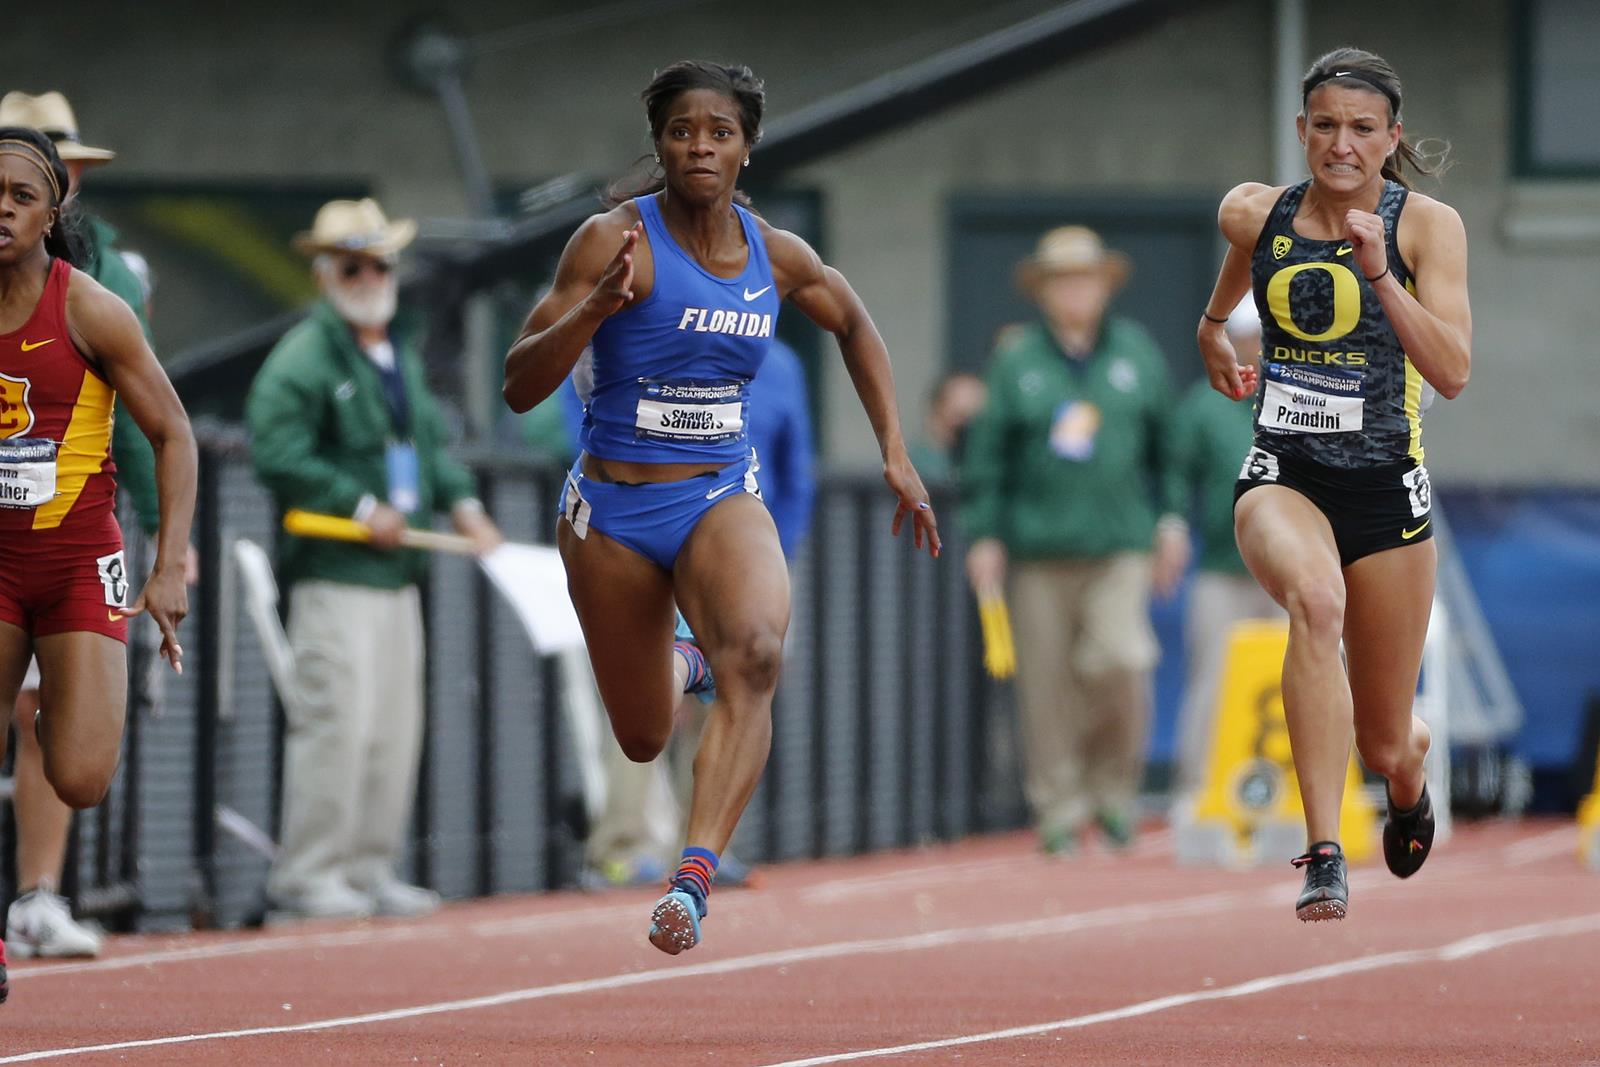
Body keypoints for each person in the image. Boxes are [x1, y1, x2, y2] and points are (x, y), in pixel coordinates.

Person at [502, 60, 938, 955]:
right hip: (612, 512)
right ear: (661, 145)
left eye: (720, 132)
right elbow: (518, 385)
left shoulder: (776, 255)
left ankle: (691, 881)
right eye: (682, 132)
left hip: (717, 492)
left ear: (746, 148)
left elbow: (855, 323)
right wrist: (594, 309)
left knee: (761, 653)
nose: (700, 147)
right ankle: (685, 660)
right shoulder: (612, 240)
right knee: (641, 736)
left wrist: (894, 450)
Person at [1197, 47, 1470, 921]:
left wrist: (1380, 270)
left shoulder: (1427, 226)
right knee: (1315, 602)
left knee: (1383, 738)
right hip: (1285, 471)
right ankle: (1323, 853)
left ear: (1391, 137)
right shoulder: (1256, 209)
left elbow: (1454, 370)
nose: (1341, 144)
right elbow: (1244, 248)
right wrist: (1212, 324)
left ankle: (1406, 771)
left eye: (1361, 129)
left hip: (1386, 491)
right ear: (1302, 130)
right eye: (1324, 126)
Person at [247, 197, 502, 923]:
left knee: (393, 728)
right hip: (336, 574)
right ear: (326, 274)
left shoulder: (394, 352)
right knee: (338, 724)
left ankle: (368, 866)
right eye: (353, 266)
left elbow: (427, 448)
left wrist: (463, 503)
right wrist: (360, 508)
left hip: (397, 575)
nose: (370, 278)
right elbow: (277, 452)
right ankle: (308, 875)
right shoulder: (304, 356)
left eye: (379, 264)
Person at [0, 128, 196, 1003]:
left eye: (21, 196)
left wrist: (169, 565)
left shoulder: (91, 308)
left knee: (79, 775)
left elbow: (173, 432)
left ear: (53, 212)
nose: (2, 209)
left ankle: (51, 702)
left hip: (78, 557)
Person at [960, 224, 1185, 856]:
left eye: (1085, 279)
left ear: (1105, 286)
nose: (1075, 292)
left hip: (1121, 545)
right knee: (1046, 686)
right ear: (1042, 291)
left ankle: (1113, 796)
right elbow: (988, 456)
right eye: (1062, 281)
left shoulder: (1136, 353)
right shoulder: (1016, 361)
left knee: (1121, 660)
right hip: (1037, 549)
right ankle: (1058, 810)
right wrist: (985, 534)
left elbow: (1167, 450)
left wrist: (1170, 521)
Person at [1164, 296, 1283, 801]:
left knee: (1306, 672)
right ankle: (1198, 786)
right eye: (1250, 337)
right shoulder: (1205, 406)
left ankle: (1300, 786)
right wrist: (1172, 525)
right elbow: (1176, 471)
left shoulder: (1301, 394)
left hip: (1292, 568)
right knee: (1211, 676)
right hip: (1223, 563)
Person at [907, 369, 987, 486]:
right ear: (935, 412)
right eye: (960, 416)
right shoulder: (914, 467)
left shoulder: (983, 468)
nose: (967, 428)